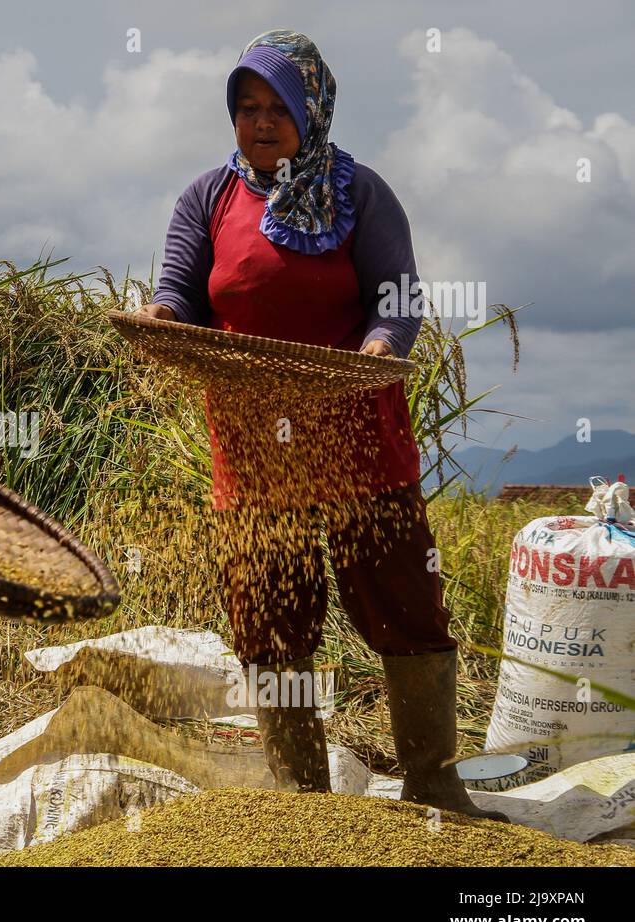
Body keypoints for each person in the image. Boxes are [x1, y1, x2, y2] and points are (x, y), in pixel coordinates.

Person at [138, 30, 506, 821]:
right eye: (246, 108)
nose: (262, 124)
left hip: (357, 437)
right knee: (269, 617)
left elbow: (397, 295)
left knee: (405, 598)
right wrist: (161, 316)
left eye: (279, 107)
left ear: (315, 110)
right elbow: (179, 290)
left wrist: (379, 346)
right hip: (252, 445)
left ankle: (434, 782)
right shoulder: (209, 198)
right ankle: (301, 798)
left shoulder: (359, 191)